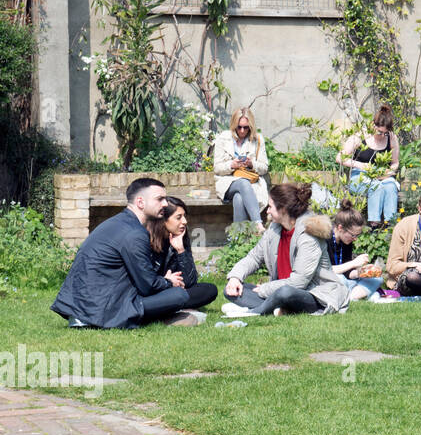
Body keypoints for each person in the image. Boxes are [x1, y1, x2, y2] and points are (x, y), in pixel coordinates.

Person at [51, 178, 201, 328]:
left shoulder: (118, 223)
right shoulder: (134, 233)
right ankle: (160, 319)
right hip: (100, 311)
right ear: (140, 202)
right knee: (179, 295)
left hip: (87, 307)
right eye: (159, 199)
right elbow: (148, 286)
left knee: (186, 293)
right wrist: (168, 281)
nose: (165, 204)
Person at [222, 182, 350, 317]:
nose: (267, 211)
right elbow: (253, 258)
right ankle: (276, 308)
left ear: (283, 209)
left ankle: (254, 311)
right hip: (280, 291)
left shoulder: (309, 234)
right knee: (231, 290)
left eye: (270, 207)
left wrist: (264, 289)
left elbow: (298, 282)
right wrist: (235, 278)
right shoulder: (274, 229)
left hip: (314, 294)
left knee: (285, 293)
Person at [146, 196, 219, 314]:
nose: (184, 221)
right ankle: (169, 308)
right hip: (153, 293)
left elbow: (191, 282)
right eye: (178, 217)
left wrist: (181, 251)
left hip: (174, 292)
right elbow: (145, 281)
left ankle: (171, 308)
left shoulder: (180, 237)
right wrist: (166, 281)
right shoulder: (146, 240)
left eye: (184, 216)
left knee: (209, 289)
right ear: (163, 220)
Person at [337, 104, 401, 226]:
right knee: (375, 186)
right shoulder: (360, 136)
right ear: (373, 125)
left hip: (381, 175)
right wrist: (360, 165)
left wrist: (388, 172)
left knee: (391, 187)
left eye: (385, 133)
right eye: (379, 132)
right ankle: (374, 225)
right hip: (360, 175)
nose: (382, 135)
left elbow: (395, 162)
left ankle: (391, 226)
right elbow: (340, 157)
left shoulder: (391, 138)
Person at [214, 107, 269, 229]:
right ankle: (257, 223)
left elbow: (264, 167)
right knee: (242, 183)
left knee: (239, 199)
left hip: (252, 184)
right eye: (239, 127)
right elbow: (217, 168)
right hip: (227, 182)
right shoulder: (223, 138)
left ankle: (239, 240)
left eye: (246, 127)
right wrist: (231, 165)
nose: (242, 130)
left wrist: (251, 164)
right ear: (234, 125)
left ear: (251, 126)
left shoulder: (257, 139)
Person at [327, 202, 385, 302]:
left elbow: (348, 273)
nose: (355, 239)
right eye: (353, 235)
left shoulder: (346, 241)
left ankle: (351, 297)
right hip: (329, 281)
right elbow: (326, 271)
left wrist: (361, 272)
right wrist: (354, 263)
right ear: (340, 228)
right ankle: (359, 295)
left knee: (377, 279)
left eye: (357, 235)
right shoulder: (325, 239)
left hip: (346, 282)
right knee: (339, 279)